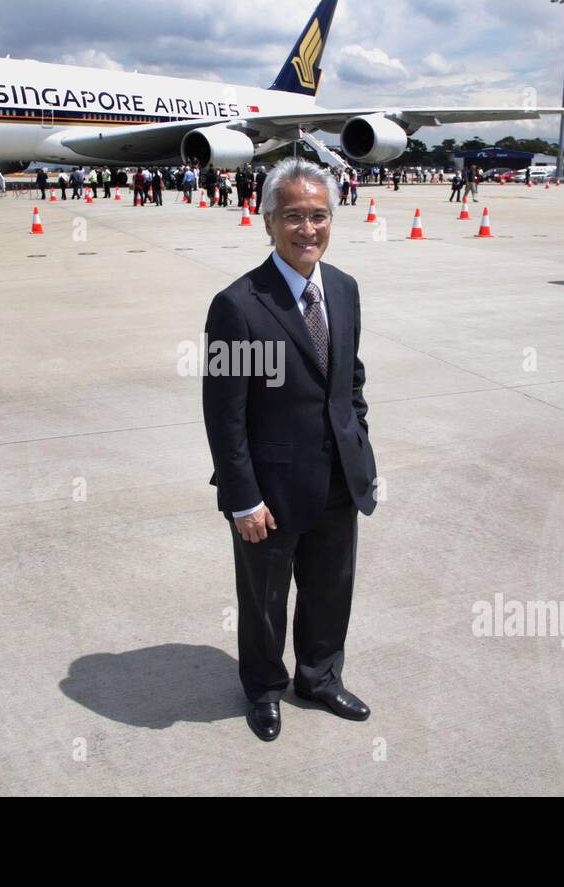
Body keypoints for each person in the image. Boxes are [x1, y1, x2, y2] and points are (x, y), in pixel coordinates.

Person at [202, 157, 378, 743]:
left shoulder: (344, 289)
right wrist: (243, 498)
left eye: (319, 216)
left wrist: (358, 444)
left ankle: (319, 677)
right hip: (270, 490)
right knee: (265, 599)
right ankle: (262, 688)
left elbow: (349, 380)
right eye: (294, 217)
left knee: (331, 588)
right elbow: (224, 415)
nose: (308, 229)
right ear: (268, 221)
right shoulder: (239, 305)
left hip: (338, 479)